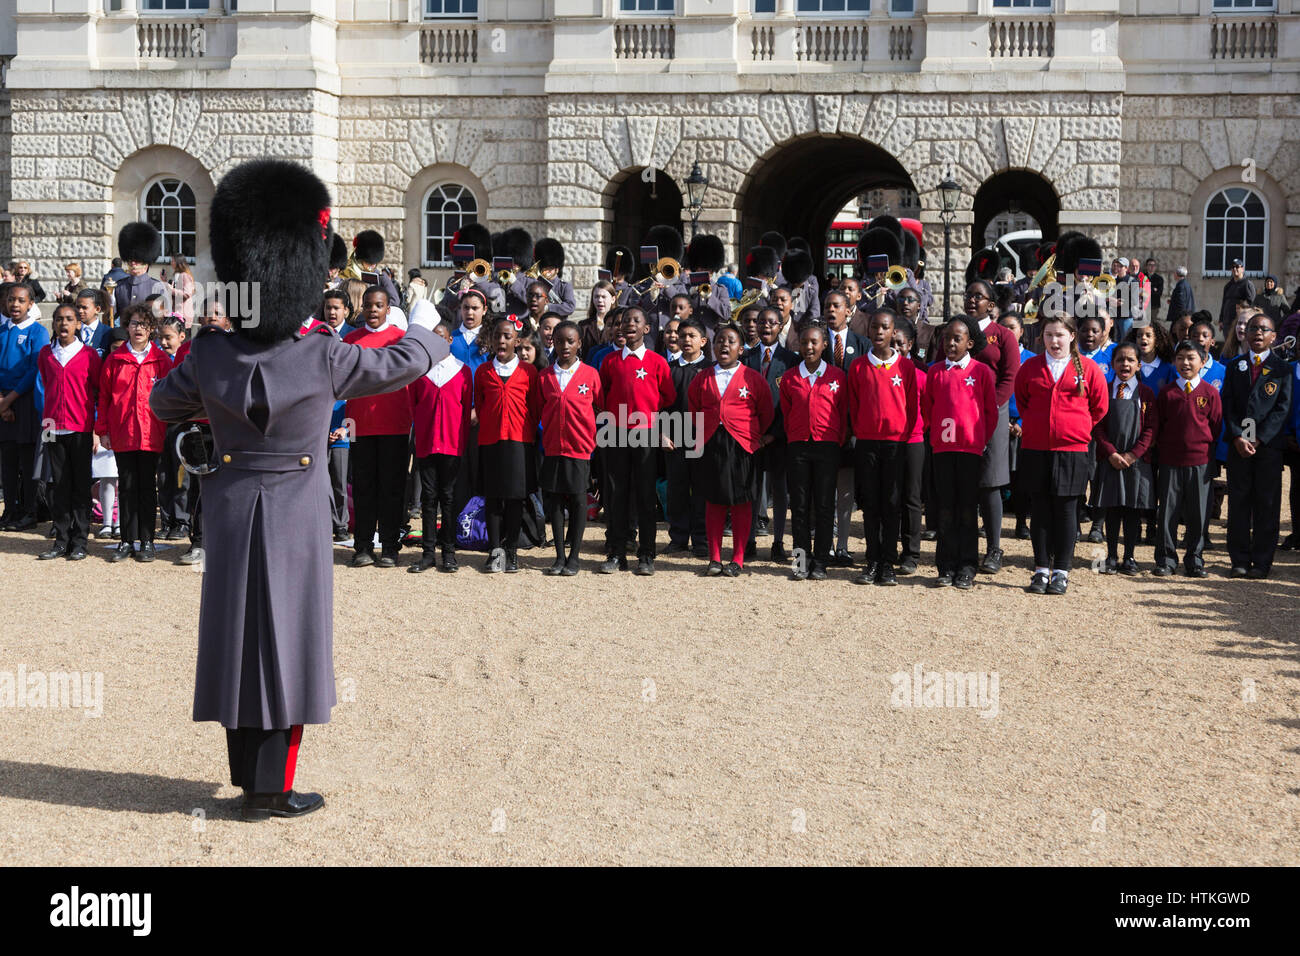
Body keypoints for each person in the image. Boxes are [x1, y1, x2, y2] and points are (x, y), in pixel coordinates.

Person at [149, 159, 448, 821]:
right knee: (290, 642)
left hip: (228, 508)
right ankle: (273, 789)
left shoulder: (211, 355)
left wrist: (201, 416)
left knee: (236, 638)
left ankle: (246, 779)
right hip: (300, 515)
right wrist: (429, 325)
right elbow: (399, 363)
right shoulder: (323, 355)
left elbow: (161, 401)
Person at [1014, 314, 1109, 595]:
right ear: (1041, 337)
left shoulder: (1089, 369)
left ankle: (1062, 571)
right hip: (1036, 448)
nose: (1054, 341)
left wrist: (1075, 428)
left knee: (1067, 511)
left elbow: (1099, 407)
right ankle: (1041, 569)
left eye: (1059, 335)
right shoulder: (1029, 367)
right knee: (1041, 510)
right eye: (1048, 335)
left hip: (1072, 450)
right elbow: (1023, 401)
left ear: (1071, 336)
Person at [688, 323, 774, 576]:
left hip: (743, 447)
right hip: (711, 445)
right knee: (714, 501)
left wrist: (754, 436)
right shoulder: (702, 378)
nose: (725, 344)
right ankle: (715, 558)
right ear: (713, 346)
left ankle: (737, 558)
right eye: (720, 340)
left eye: (731, 341)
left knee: (741, 502)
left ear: (741, 348)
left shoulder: (753, 378)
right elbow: (693, 409)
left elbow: (766, 412)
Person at [598, 306, 675, 575]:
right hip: (616, 433)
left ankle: (646, 554)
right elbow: (603, 394)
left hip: (645, 433)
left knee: (644, 495)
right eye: (624, 321)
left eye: (635, 320)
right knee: (616, 494)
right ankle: (616, 552)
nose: (629, 324)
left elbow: (667, 396)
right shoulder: (609, 362)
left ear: (646, 328)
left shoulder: (657, 362)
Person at [923, 316, 998, 590]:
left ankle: (967, 565)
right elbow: (927, 407)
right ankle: (946, 565)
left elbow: (990, 412)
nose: (950, 343)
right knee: (945, 509)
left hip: (970, 451)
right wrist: (936, 436)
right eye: (946, 339)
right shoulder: (935, 372)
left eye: (957, 339)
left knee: (967, 510)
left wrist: (979, 440)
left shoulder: (981, 372)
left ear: (970, 342)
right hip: (943, 450)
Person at [343, 287, 414, 569]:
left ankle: (389, 547)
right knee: (362, 488)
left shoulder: (401, 340)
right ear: (362, 307)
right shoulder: (350, 340)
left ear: (388, 309)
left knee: (392, 488)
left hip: (395, 423)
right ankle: (362, 546)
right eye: (369, 305)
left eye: (379, 305)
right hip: (359, 423)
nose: (373, 310)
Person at [847, 308, 918, 586]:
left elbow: (912, 407)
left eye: (884, 327)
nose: (879, 332)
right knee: (871, 503)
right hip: (867, 443)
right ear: (869, 330)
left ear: (893, 332)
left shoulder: (906, 367)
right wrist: (861, 431)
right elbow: (854, 403)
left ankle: (888, 560)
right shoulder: (858, 366)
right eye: (875, 327)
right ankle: (872, 559)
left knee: (892, 503)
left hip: (895, 444)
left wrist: (901, 434)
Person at [97, 303, 171, 562]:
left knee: (148, 488)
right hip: (123, 432)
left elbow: (168, 398)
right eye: (134, 323)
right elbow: (104, 397)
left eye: (144, 324)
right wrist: (102, 430)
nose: (138, 328)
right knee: (127, 486)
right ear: (126, 326)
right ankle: (127, 540)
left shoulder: (161, 360)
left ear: (152, 329)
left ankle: (147, 540)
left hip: (152, 433)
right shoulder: (115, 359)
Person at [1222, 313, 1293, 578]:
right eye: (1253, 328)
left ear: (1274, 336)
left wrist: (1257, 437)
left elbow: (1282, 408)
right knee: (1239, 502)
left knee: (1266, 503)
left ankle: (1262, 561)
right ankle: (1239, 559)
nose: (1257, 333)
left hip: (1267, 447)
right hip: (1239, 445)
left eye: (1264, 329)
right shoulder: (1235, 365)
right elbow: (1228, 404)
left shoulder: (1282, 369)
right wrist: (1240, 436)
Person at [404, 315, 473, 574]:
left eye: (442, 337)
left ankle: (450, 552)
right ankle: (428, 552)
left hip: (453, 445)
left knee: (450, 499)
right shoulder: (421, 372)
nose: (438, 341)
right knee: (429, 499)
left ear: (450, 340)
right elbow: (414, 407)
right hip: (427, 443)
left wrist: (462, 442)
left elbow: (465, 411)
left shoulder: (463, 371)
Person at [475, 316, 542, 573]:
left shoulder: (529, 372)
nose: (501, 341)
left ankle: (512, 550)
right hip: (491, 441)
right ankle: (495, 551)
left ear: (517, 341)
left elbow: (535, 407)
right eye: (498, 336)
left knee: (515, 498)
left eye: (507, 336)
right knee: (493, 498)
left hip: (519, 442)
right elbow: (480, 406)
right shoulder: (483, 372)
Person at [781, 323, 848, 580]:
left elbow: (842, 412)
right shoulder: (789, 378)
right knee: (798, 506)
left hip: (827, 446)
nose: (809, 347)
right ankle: (800, 562)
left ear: (824, 345)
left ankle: (820, 562)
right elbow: (787, 413)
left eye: (814, 342)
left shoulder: (837, 376)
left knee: (823, 506)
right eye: (804, 342)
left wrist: (834, 439)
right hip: (798, 446)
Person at [964, 278, 1022, 575]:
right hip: (958, 413)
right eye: (969, 295)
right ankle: (964, 547)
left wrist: (992, 409)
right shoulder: (956, 329)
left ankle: (994, 547)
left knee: (989, 482)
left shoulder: (1003, 336)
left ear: (992, 303)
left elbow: (1009, 376)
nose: (972, 300)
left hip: (992, 414)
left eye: (979, 296)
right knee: (963, 481)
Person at [36, 303, 102, 561]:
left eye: (70, 319)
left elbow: (98, 393)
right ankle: (61, 540)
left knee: (80, 485)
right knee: (59, 484)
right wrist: (46, 421)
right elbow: (44, 386)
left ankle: (80, 541)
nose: (64, 324)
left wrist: (96, 427)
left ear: (78, 324)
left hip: (81, 427)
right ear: (53, 323)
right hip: (52, 426)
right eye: (59, 319)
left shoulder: (89, 355)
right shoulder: (45, 354)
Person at [1152, 341, 1222, 577]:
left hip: (1201, 462)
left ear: (1203, 362)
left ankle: (1195, 558)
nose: (1185, 363)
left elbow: (1216, 425)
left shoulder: (1210, 393)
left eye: (1191, 358)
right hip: (1171, 461)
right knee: (1168, 513)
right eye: (1180, 357)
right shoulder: (1167, 393)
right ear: (1174, 361)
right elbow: (1158, 427)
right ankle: (1166, 559)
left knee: (1198, 513)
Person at [538, 320, 603, 575]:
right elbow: (537, 409)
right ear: (552, 341)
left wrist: (592, 438)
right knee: (554, 502)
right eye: (560, 340)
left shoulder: (590, 374)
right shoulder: (544, 376)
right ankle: (559, 556)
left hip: (579, 449)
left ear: (579, 344)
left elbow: (600, 407)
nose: (565, 346)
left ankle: (574, 557)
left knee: (577, 501)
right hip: (553, 448)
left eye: (571, 341)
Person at [1093, 342, 1157, 575]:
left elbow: (1150, 428)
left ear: (1139, 365)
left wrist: (1132, 455)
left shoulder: (1147, 394)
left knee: (1132, 510)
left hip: (1135, 462)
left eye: (1130, 360)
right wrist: (1111, 452)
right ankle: (1110, 556)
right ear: (1112, 364)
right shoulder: (1105, 389)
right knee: (1112, 509)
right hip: (1110, 459)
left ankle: (1129, 556)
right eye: (1120, 360)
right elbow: (1098, 425)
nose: (1125, 364)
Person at [742, 306, 798, 563]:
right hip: (751, 436)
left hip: (780, 437)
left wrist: (774, 434)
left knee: (779, 489)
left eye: (771, 323)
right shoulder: (746, 357)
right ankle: (750, 540)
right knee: (752, 490)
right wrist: (753, 433)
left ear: (780, 326)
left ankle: (777, 542)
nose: (765, 326)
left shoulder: (791, 360)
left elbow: (792, 403)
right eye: (760, 321)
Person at [0, 282, 51, 531]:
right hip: (3, 404)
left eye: (21, 301)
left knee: (27, 460)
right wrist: (2, 401)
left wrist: (9, 400)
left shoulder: (37, 332)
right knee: (7, 461)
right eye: (11, 300)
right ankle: (10, 509)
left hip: (25, 403)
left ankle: (30, 510)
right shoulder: (1, 330)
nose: (15, 305)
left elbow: (34, 370)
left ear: (31, 304)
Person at [822, 291, 868, 566]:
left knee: (845, 490)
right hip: (823, 427)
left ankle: (842, 545)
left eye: (836, 306)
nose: (831, 310)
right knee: (824, 489)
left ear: (848, 311)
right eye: (827, 305)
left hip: (851, 428)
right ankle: (825, 543)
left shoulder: (861, 344)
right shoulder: (815, 342)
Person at [664, 317, 709, 558]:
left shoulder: (711, 369)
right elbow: (659, 406)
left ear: (703, 340)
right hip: (675, 438)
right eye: (682, 336)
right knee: (677, 491)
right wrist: (661, 434)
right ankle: (679, 537)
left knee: (702, 490)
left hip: (703, 438)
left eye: (692, 336)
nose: (686, 340)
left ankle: (701, 539)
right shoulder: (669, 369)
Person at [1001, 311, 1035, 540]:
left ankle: (1022, 522)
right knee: (997, 476)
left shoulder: (1032, 359)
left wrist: (1022, 422)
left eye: (1012, 327)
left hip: (1024, 423)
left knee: (1023, 477)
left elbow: (1036, 396)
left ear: (1021, 331)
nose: (1008, 332)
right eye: (1003, 327)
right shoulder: (993, 357)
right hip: (998, 421)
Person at [112, 223, 167, 320]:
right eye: (130, 259)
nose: (133, 262)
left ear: (146, 261)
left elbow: (162, 317)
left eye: (137, 260)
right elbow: (112, 316)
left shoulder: (158, 287)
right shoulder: (119, 287)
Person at [1218, 259, 1256, 335]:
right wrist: (1221, 320)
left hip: (1239, 323)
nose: (1235, 269)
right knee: (1228, 345)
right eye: (1233, 267)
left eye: (1237, 267)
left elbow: (1251, 303)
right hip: (1227, 323)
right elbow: (1224, 303)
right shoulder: (1228, 286)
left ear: (1242, 269)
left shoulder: (1247, 284)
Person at [581, 280, 618, 355]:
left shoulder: (620, 325)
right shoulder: (584, 325)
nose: (600, 300)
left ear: (613, 299)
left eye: (604, 297)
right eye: (596, 296)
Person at [169, 254, 196, 326]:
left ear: (178, 262)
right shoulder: (177, 275)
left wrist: (172, 290)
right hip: (178, 313)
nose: (171, 263)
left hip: (184, 314)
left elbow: (187, 294)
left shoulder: (185, 275)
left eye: (173, 261)